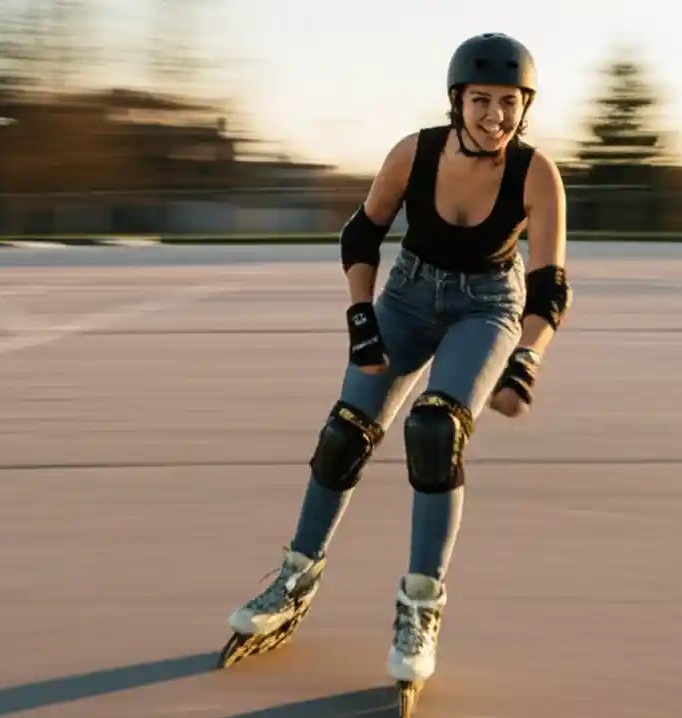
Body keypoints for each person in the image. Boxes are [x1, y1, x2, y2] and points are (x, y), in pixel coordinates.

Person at [225, 32, 572, 685]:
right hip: (408, 296)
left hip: (488, 306)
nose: (494, 116)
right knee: (343, 435)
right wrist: (361, 314)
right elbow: (362, 232)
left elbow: (550, 286)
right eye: (480, 101)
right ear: (455, 101)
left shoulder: (536, 174)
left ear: (525, 106)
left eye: (508, 102)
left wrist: (529, 356)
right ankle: (293, 581)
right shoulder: (416, 153)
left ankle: (420, 607)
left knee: (436, 432)